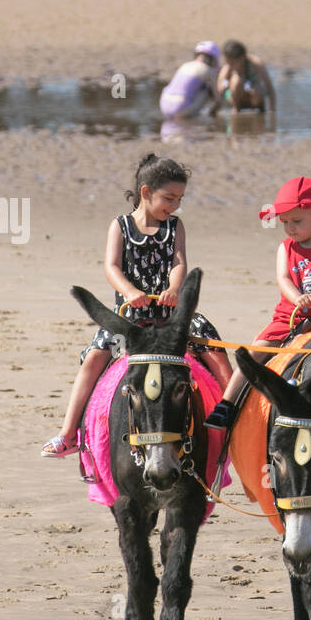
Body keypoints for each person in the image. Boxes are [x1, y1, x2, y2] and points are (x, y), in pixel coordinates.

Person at [41, 153, 233, 457]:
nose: (175, 205)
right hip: (130, 316)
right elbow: (111, 267)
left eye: (179, 199)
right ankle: (69, 433)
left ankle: (235, 417)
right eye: (169, 198)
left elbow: (179, 262)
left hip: (168, 314)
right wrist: (130, 291)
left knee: (215, 352)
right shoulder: (120, 226)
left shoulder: (175, 227)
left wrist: (173, 287)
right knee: (94, 358)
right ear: (146, 192)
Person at [205, 176, 311, 429]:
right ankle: (227, 404)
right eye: (284, 222)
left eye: (297, 221)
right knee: (253, 353)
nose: (290, 228)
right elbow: (283, 279)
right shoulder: (286, 247)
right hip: (291, 317)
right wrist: (297, 298)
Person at [159, 41, 221, 119]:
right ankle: (191, 116)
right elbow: (218, 100)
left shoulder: (185, 65)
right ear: (213, 59)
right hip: (180, 108)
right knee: (206, 89)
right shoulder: (209, 71)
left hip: (164, 105)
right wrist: (213, 113)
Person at [216, 40, 276, 113]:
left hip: (254, 99)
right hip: (236, 99)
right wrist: (226, 84)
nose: (230, 65)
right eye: (228, 62)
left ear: (242, 58)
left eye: (233, 63)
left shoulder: (256, 63)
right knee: (236, 81)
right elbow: (219, 91)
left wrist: (272, 111)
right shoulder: (227, 68)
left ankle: (261, 111)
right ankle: (236, 110)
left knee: (257, 89)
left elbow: (270, 88)